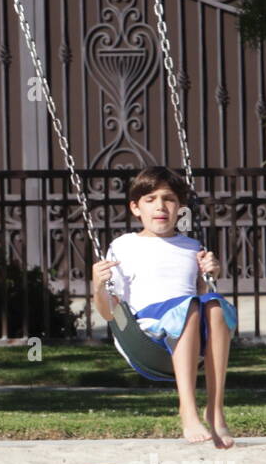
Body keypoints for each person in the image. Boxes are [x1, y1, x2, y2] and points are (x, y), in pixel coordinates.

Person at [90, 165, 237, 447]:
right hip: (147, 334)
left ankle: (216, 411)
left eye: (169, 199)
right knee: (190, 308)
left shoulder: (192, 246)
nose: (161, 207)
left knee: (214, 306)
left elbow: (202, 297)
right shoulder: (124, 247)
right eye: (150, 199)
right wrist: (97, 285)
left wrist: (210, 276)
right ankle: (188, 411)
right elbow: (110, 313)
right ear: (135, 208)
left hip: (189, 331)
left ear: (180, 206)